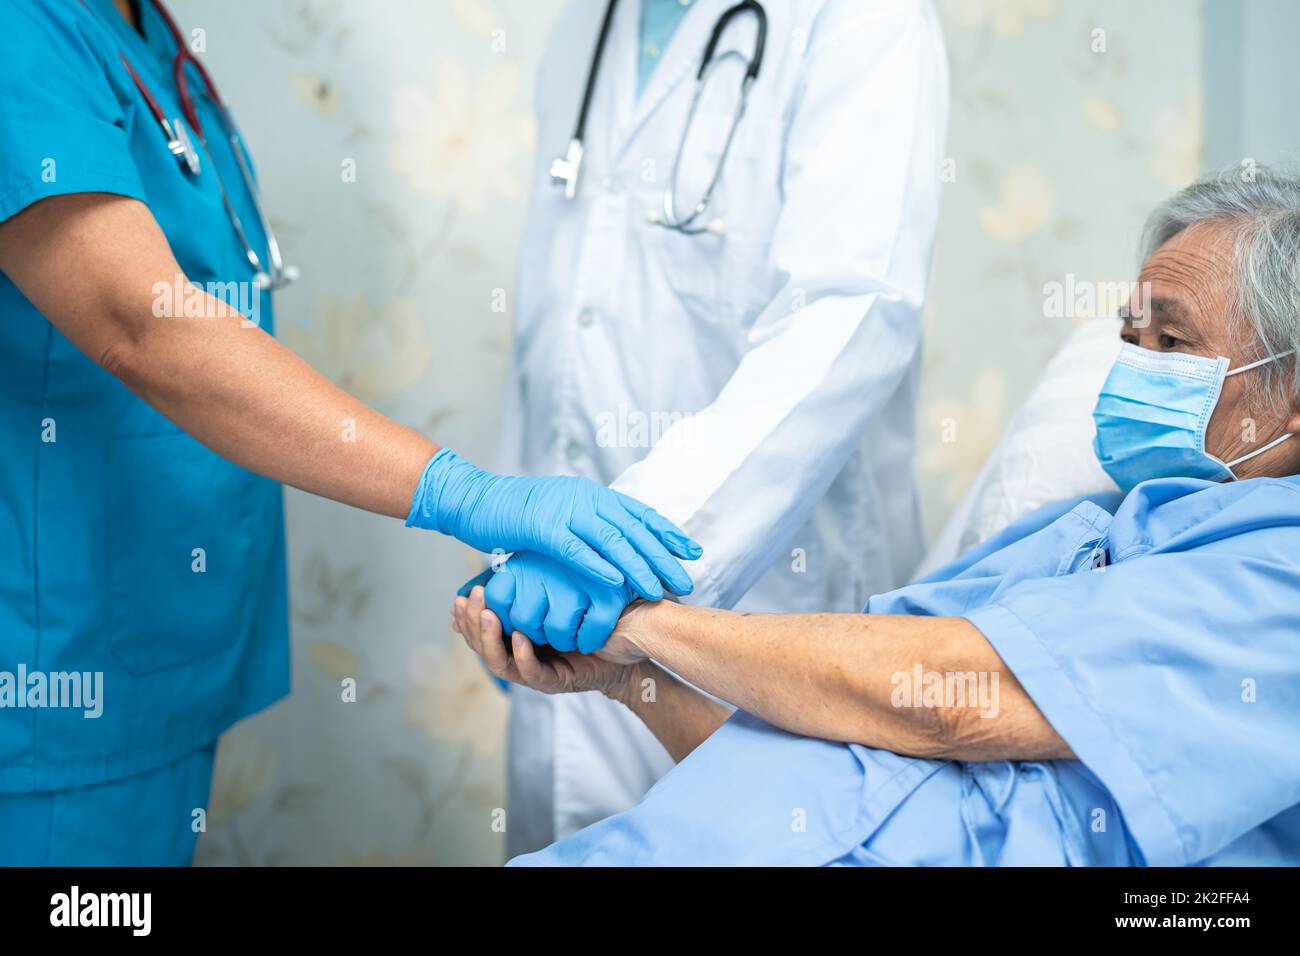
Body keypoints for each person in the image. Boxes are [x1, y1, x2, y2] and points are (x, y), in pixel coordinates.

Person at [0, 0, 697, 865]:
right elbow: (141, 322)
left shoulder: (139, 26)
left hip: (151, 638)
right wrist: (460, 494)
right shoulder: (22, 29)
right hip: (53, 664)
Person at [457, 169, 1300, 865]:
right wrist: (630, 677)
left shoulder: (1275, 579)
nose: (1132, 368)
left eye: (1173, 345)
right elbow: (812, 759)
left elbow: (943, 701)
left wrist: (644, 623)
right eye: (1128, 337)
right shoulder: (1068, 535)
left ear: (1290, 397)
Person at [480, 0, 950, 854]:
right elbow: (558, 319)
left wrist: (624, 549)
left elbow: (848, 313)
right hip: (565, 615)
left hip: (766, 615)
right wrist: (507, 542)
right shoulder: (593, 24)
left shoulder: (866, 20)